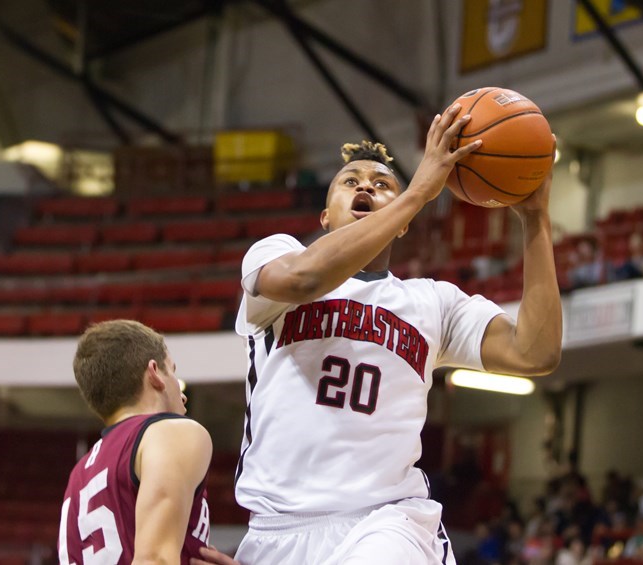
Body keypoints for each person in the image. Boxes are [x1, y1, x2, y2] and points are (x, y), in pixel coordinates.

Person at [233, 104, 563, 564]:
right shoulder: (276, 254)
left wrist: (535, 219)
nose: (365, 186)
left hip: (387, 522)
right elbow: (303, 279)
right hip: (278, 531)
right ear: (325, 217)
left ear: (403, 224)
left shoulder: (434, 302)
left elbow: (535, 353)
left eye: (383, 184)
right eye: (350, 181)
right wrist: (418, 191)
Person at [58, 320, 237, 565]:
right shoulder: (170, 432)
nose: (182, 394)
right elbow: (155, 560)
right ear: (154, 373)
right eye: (172, 371)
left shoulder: (80, 473)